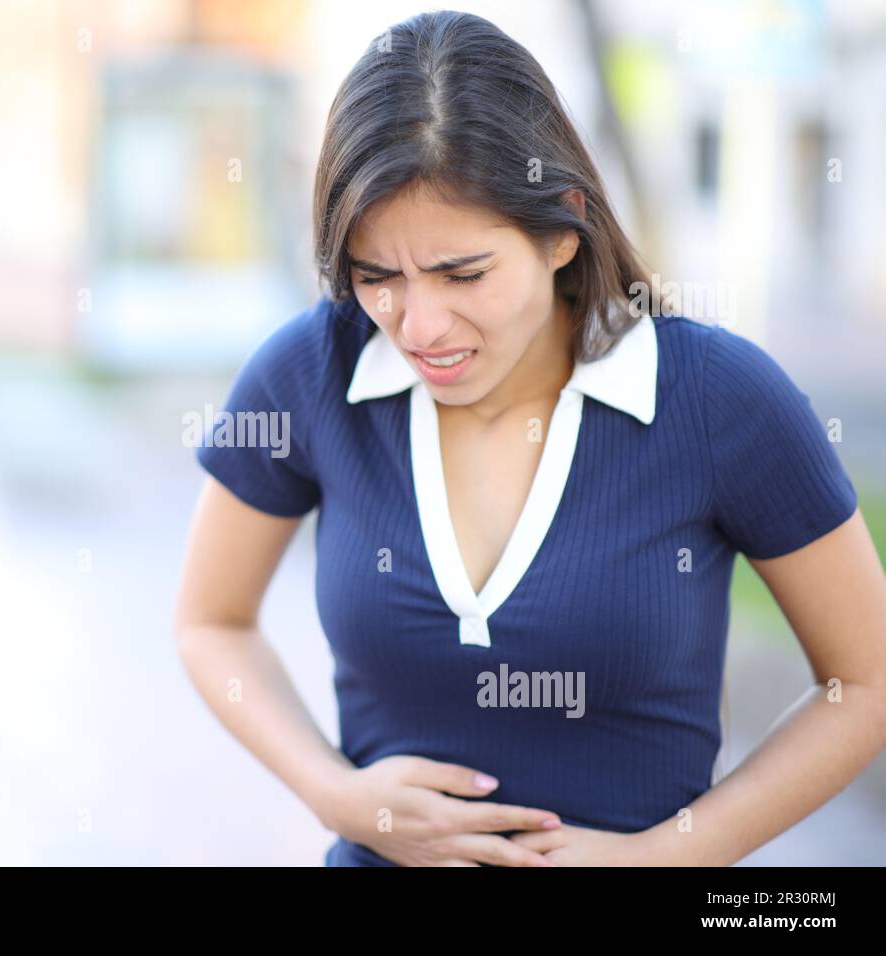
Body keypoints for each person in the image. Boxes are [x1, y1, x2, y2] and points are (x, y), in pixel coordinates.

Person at [172, 9, 886, 866]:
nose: (421, 324)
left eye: (461, 273)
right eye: (377, 276)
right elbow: (210, 622)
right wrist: (339, 796)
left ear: (561, 227)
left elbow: (866, 684)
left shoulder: (718, 400)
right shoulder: (310, 376)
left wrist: (659, 858)